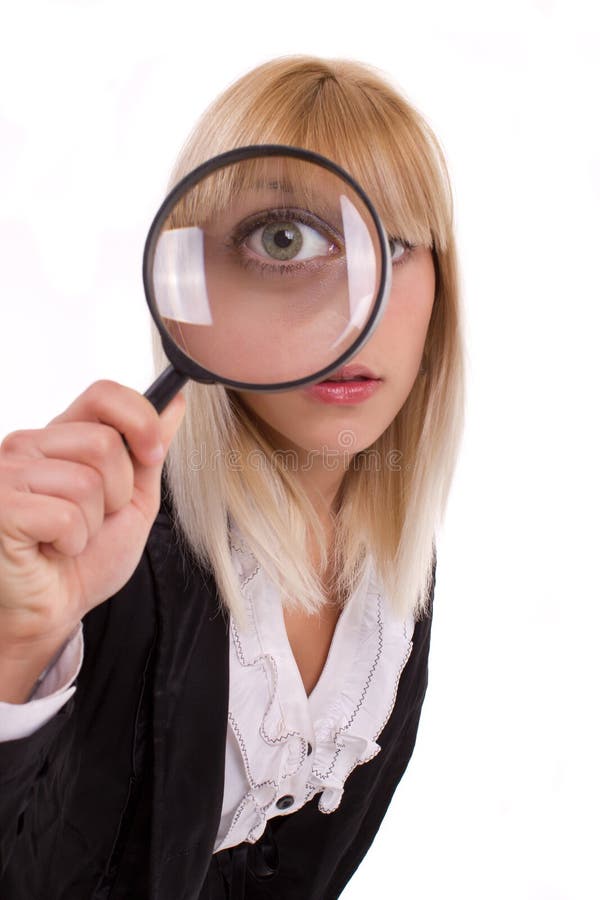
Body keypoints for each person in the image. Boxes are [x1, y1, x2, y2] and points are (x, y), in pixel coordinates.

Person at [0, 56, 465, 899]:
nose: (350, 312)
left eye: (393, 246)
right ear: (198, 285)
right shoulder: (113, 552)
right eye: (286, 240)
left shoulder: (396, 572)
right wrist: (13, 646)